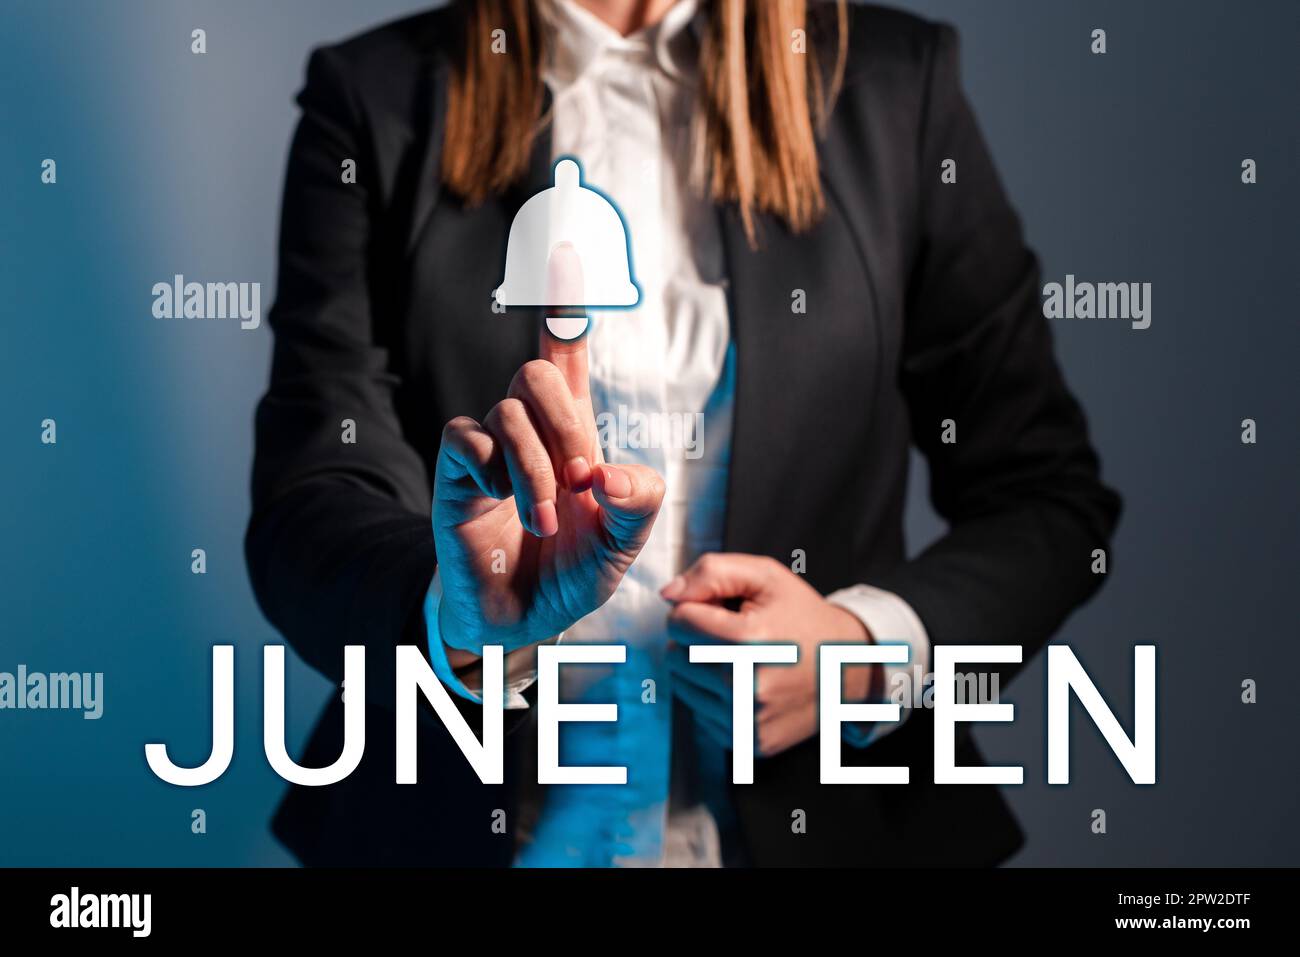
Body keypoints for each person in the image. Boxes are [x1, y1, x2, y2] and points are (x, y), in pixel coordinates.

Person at [246, 0, 1121, 867]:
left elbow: (1045, 496)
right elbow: (312, 497)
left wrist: (859, 655)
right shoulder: (376, 95)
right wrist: (453, 617)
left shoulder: (892, 84)